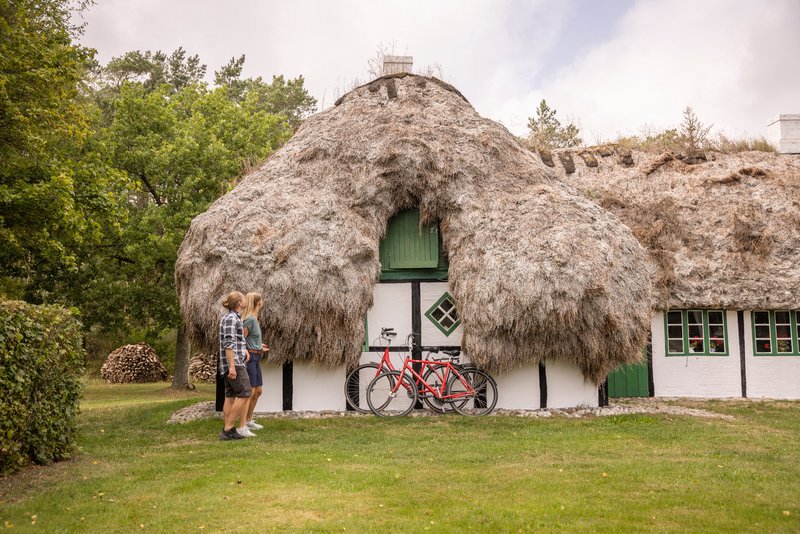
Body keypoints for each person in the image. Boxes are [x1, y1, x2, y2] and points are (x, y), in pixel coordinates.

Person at [218, 291, 252, 440]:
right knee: (245, 393)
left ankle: (228, 429)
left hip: (234, 361)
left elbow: (235, 341)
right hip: (235, 364)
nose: (245, 301)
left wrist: (244, 349)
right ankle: (228, 429)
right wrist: (232, 366)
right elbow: (228, 343)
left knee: (230, 395)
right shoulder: (232, 318)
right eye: (243, 298)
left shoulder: (231, 318)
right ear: (239, 302)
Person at [241, 292, 269, 431]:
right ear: (258, 303)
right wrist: (249, 351)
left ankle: (248, 420)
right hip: (250, 358)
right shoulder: (249, 320)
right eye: (261, 300)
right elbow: (241, 339)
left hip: (256, 356)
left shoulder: (254, 320)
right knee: (250, 391)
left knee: (258, 391)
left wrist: (259, 346)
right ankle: (243, 424)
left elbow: (250, 339)